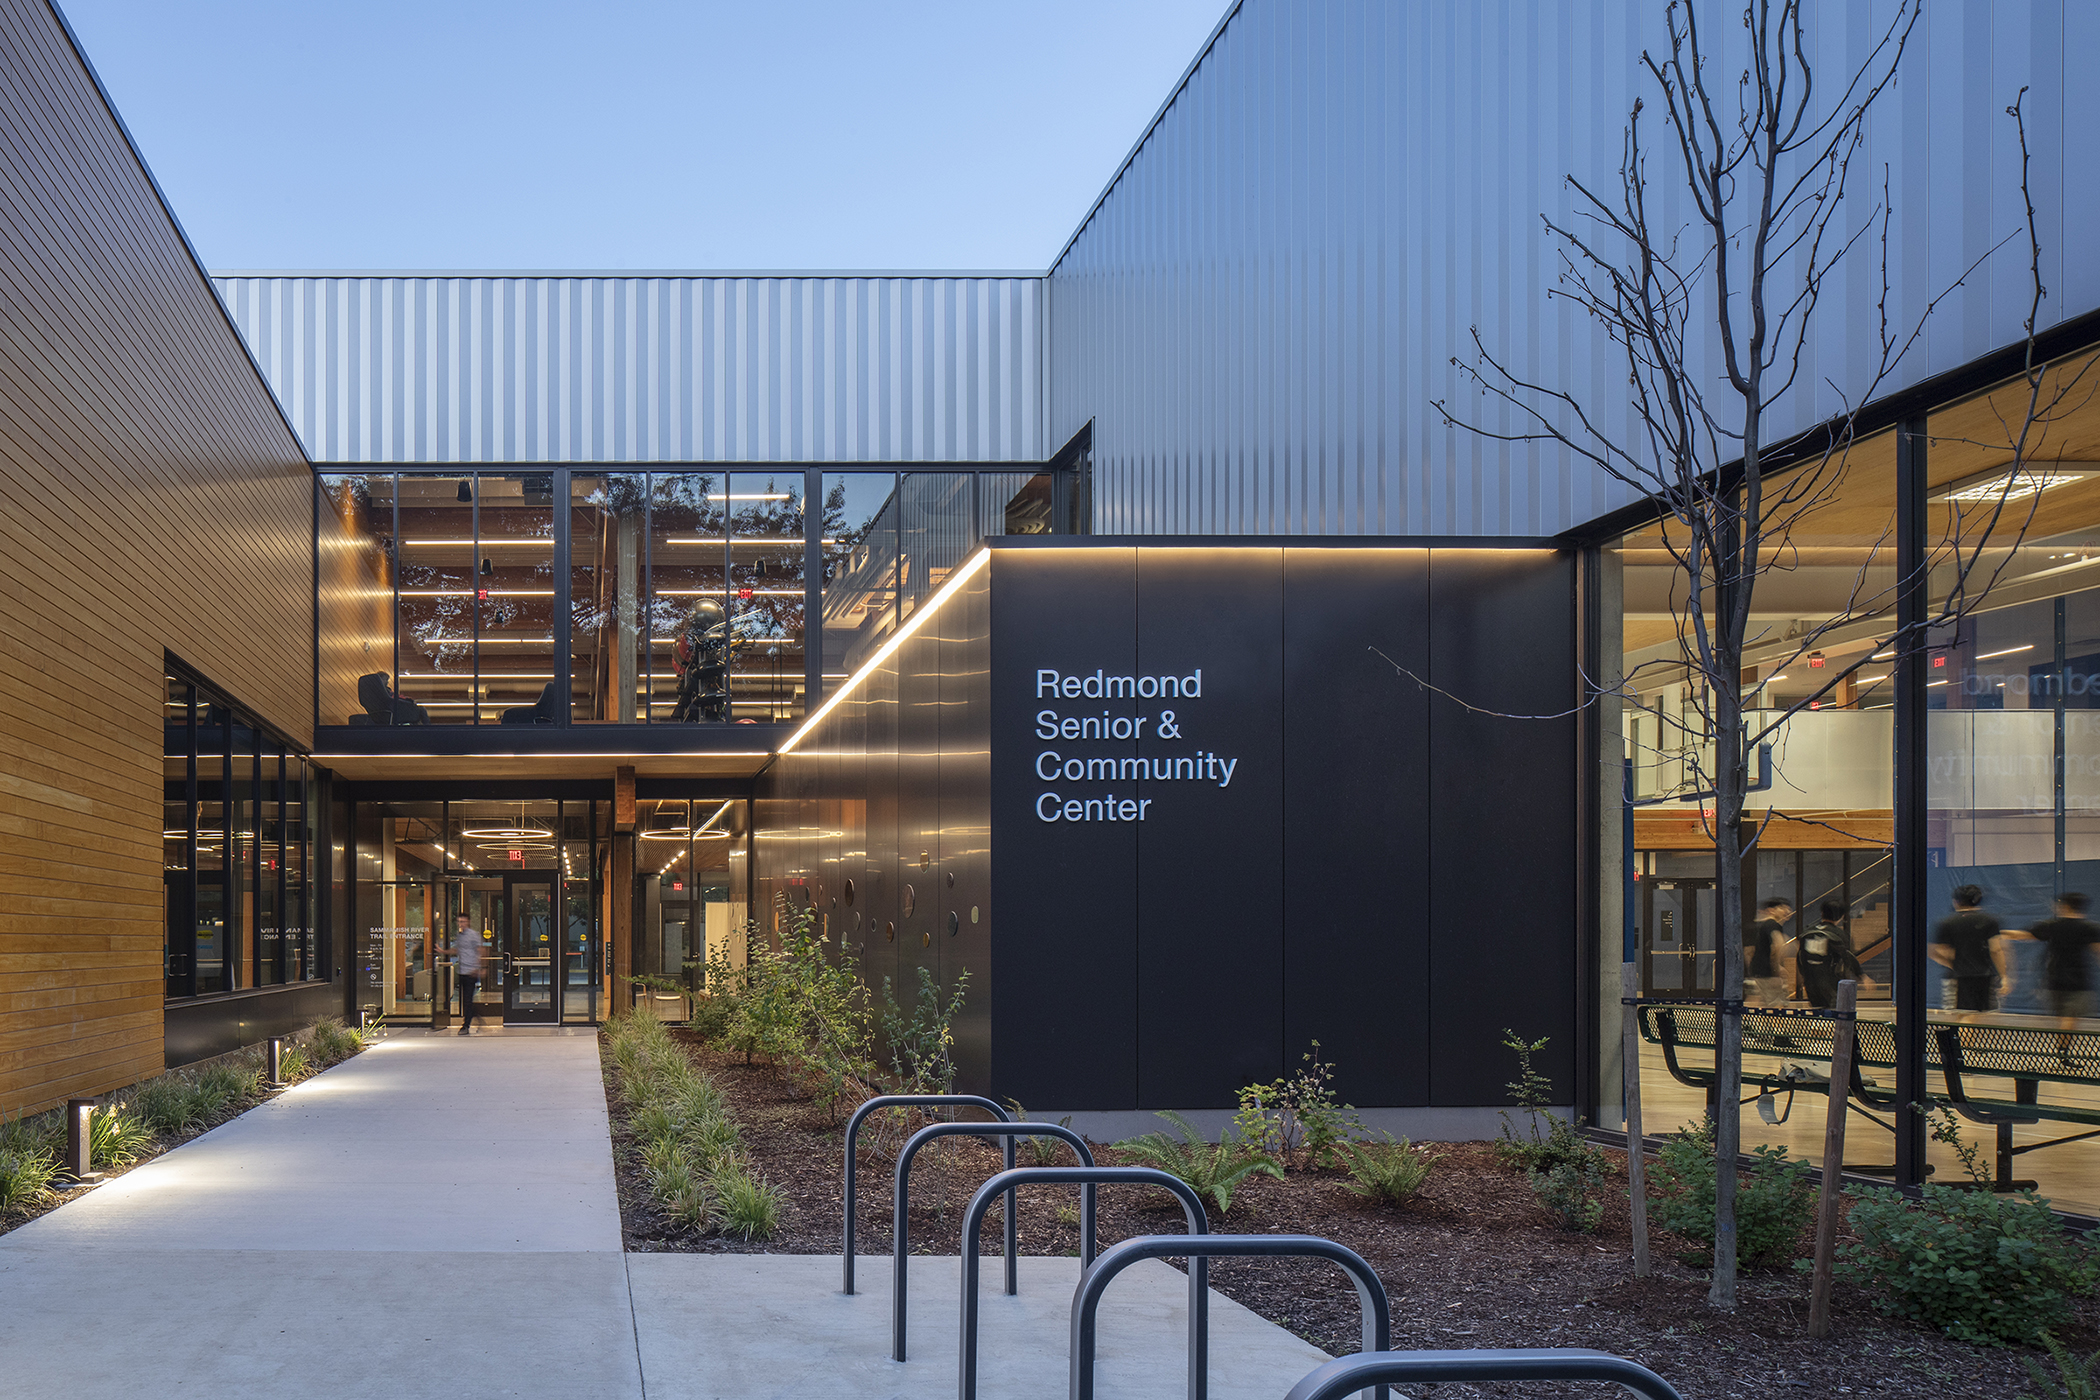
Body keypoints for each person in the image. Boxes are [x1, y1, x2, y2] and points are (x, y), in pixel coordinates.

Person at [2009, 892, 2100, 1059]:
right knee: (2069, 1018)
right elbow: (2098, 951)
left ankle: (2062, 1051)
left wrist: (1999, 933)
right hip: (2078, 980)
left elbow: (2022, 935)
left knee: (2062, 1017)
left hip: (2054, 979)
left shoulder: (2051, 925)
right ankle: (2062, 1053)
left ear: (2064, 906)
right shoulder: (2090, 928)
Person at [1931, 884, 2005, 1022]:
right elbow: (1996, 949)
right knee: (1977, 1016)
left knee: (1957, 1015)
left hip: (1955, 976)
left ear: (1956, 901)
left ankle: (1957, 1035)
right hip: (1983, 976)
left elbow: (1937, 951)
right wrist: (2004, 975)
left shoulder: (1947, 923)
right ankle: (1964, 1036)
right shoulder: (1990, 921)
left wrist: (1953, 964)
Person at [1798, 899, 1865, 1009]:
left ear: (1822, 913)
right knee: (1833, 1011)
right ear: (1841, 916)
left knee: (1817, 1012)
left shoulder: (1807, 933)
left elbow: (1801, 957)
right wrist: (1861, 975)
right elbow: (1847, 956)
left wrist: (1802, 976)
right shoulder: (1838, 934)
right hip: (1830, 982)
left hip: (1811, 982)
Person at [1747, 897, 1795, 1007]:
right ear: (1771, 910)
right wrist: (1777, 968)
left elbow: (1749, 951)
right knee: (1776, 1004)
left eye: (1788, 908)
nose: (1787, 911)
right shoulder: (1772, 924)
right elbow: (1777, 945)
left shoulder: (1764, 926)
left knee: (1760, 1001)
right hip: (1768, 973)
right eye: (1782, 908)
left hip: (1759, 971)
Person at [452, 912, 485, 1035]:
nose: (461, 924)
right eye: (459, 922)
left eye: (463, 921)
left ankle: (466, 1025)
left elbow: (481, 950)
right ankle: (475, 1015)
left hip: (471, 972)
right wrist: (443, 951)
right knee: (466, 999)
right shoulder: (459, 936)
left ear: (468, 922)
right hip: (462, 971)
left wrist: (480, 967)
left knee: (467, 999)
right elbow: (457, 950)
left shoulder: (473, 935)